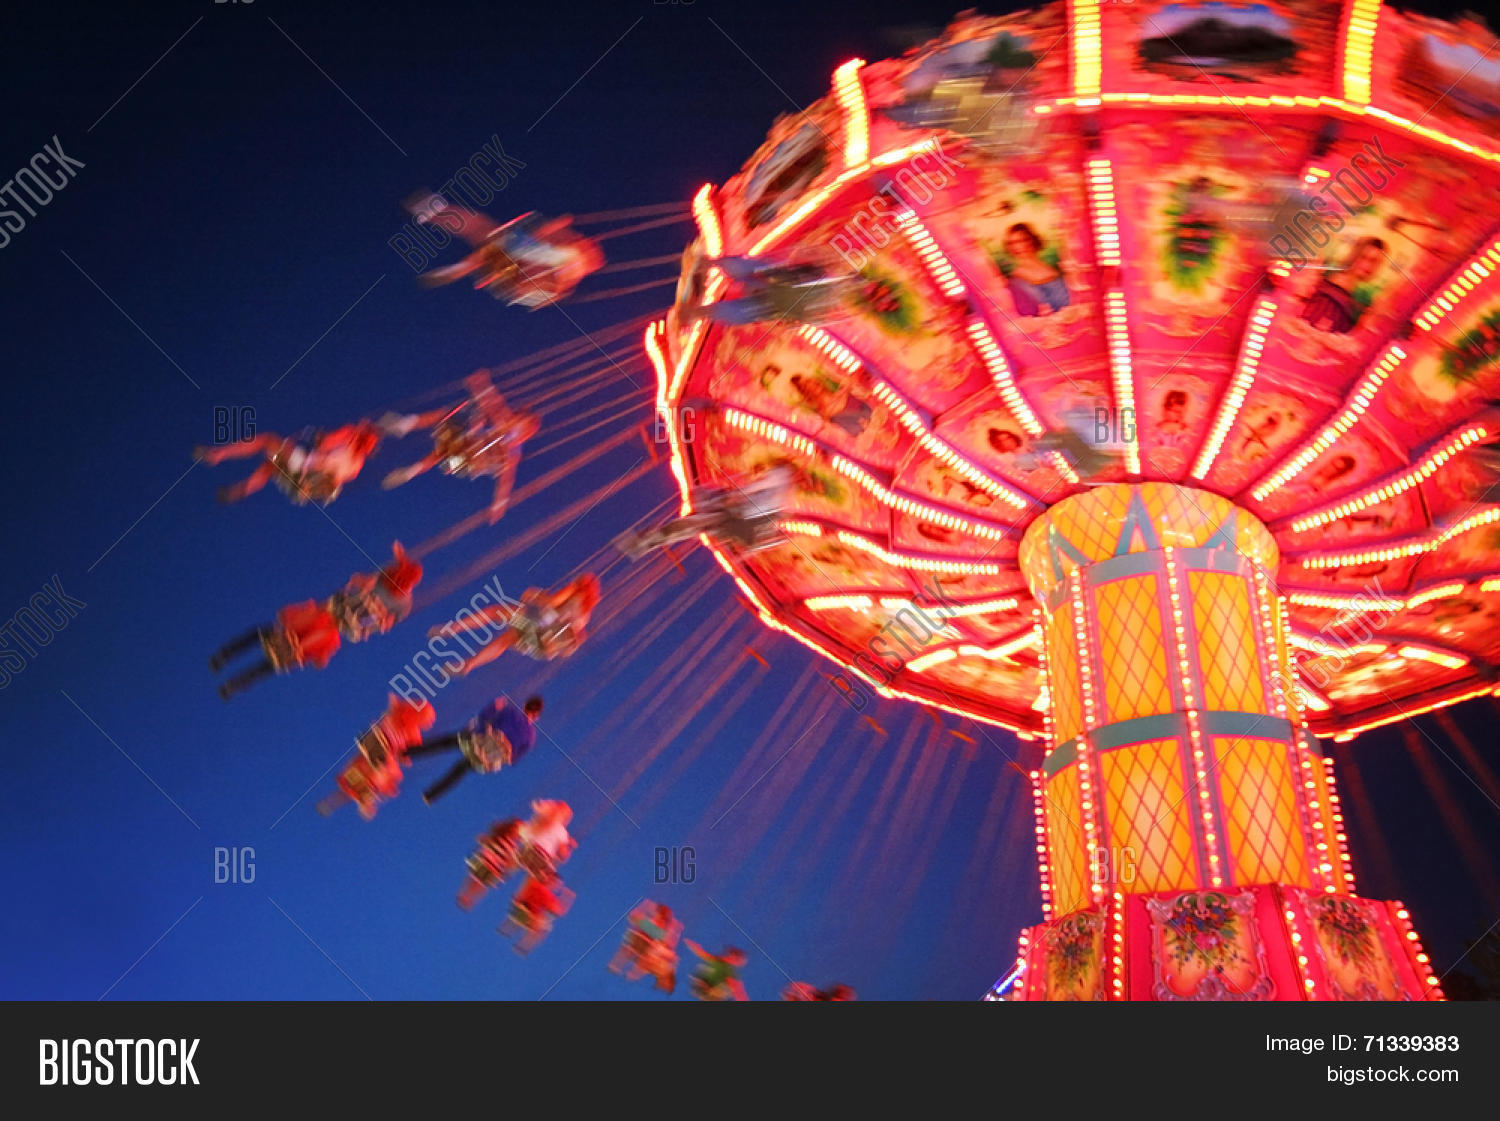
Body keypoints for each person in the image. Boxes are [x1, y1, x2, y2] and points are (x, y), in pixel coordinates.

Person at [380, 372, 540, 521]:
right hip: (465, 457)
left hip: (467, 458)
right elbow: (492, 402)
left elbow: (506, 479)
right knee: (443, 443)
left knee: (445, 433)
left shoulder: (511, 445)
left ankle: (404, 426)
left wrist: (480, 385)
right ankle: (410, 467)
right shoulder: (510, 436)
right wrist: (480, 385)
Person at [614, 465, 794, 559]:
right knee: (700, 525)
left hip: (740, 515)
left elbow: (757, 487)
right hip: (743, 519)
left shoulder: (780, 476)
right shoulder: (783, 494)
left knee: (698, 523)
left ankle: (650, 540)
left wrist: (737, 493)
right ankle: (650, 540)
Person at [433, 575, 601, 672]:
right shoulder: (585, 616)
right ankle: (470, 664)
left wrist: (534, 594)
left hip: (542, 630)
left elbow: (551, 602)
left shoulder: (576, 590)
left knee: (496, 612)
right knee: (507, 639)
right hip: (544, 647)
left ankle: (454, 628)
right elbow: (568, 639)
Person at [403, 694, 544, 804]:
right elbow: (513, 760)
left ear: (525, 705)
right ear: (537, 716)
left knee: (445, 742)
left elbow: (484, 718)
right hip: (487, 760)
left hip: (476, 742)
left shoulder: (511, 712)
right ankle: (430, 796)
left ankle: (407, 751)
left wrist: (493, 707)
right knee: (459, 770)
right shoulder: (530, 738)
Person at [195, 422, 381, 506]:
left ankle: (217, 455)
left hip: (305, 470)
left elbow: (323, 445)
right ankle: (242, 489)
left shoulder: (349, 439)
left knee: (267, 441)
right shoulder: (356, 465)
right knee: (271, 465)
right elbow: (334, 480)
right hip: (304, 483)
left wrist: (339, 434)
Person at [315, 695, 437, 819]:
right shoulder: (400, 717)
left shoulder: (412, 732)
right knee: (383, 771)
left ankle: (366, 787)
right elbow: (393, 708)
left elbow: (406, 754)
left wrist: (404, 760)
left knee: (387, 774)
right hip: (378, 743)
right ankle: (366, 783)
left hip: (379, 749)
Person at [211, 600, 342, 700]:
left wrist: (318, 658)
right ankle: (225, 661)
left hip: (290, 651)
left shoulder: (332, 638)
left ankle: (231, 683)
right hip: (285, 636)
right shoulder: (320, 612)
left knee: (264, 667)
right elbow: (288, 614)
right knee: (258, 638)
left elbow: (319, 661)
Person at [683, 255, 851, 327]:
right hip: (777, 283)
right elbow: (797, 271)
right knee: (751, 270)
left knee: (741, 311)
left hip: (775, 300)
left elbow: (800, 314)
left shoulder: (825, 303)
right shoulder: (821, 277)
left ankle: (698, 311)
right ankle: (710, 263)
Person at [326, 542, 423, 642]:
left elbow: (391, 621)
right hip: (349, 604)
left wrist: (387, 620)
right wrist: (363, 580)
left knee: (369, 614)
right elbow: (367, 580)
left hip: (357, 621)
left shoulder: (404, 604)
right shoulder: (387, 574)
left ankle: (348, 621)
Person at [1300, 237, 1387, 334]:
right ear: (1355, 254)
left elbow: (1358, 334)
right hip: (1300, 331)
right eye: (1363, 257)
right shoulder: (1329, 272)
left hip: (1329, 341)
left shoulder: (1366, 297)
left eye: (1374, 261)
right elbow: (1301, 296)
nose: (1367, 265)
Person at [497, 866, 575, 955]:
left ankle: (522, 944)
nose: (554, 884)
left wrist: (567, 898)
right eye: (554, 881)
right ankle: (516, 936)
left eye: (556, 884)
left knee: (547, 924)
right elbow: (557, 910)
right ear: (548, 878)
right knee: (545, 922)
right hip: (522, 910)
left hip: (527, 916)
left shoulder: (549, 897)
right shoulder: (536, 884)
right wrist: (567, 899)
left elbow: (557, 911)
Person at [609, 901, 683, 993]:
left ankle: (620, 964)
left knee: (634, 950)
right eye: (663, 984)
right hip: (647, 943)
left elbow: (646, 964)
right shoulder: (666, 964)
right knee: (655, 937)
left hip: (645, 944)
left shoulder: (660, 967)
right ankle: (620, 964)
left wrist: (633, 973)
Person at [1002, 223, 1069, 317]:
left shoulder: (1051, 266)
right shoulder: (1016, 280)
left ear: (1032, 240)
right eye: (1012, 243)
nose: (1019, 246)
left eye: (1023, 240)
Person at [457, 818, 526, 909]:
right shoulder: (500, 836)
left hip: (494, 867)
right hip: (486, 860)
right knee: (475, 877)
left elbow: (510, 861)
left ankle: (470, 899)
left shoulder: (513, 846)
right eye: (517, 829)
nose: (517, 833)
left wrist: (509, 868)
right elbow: (485, 840)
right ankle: (463, 894)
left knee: (483, 883)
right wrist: (485, 842)